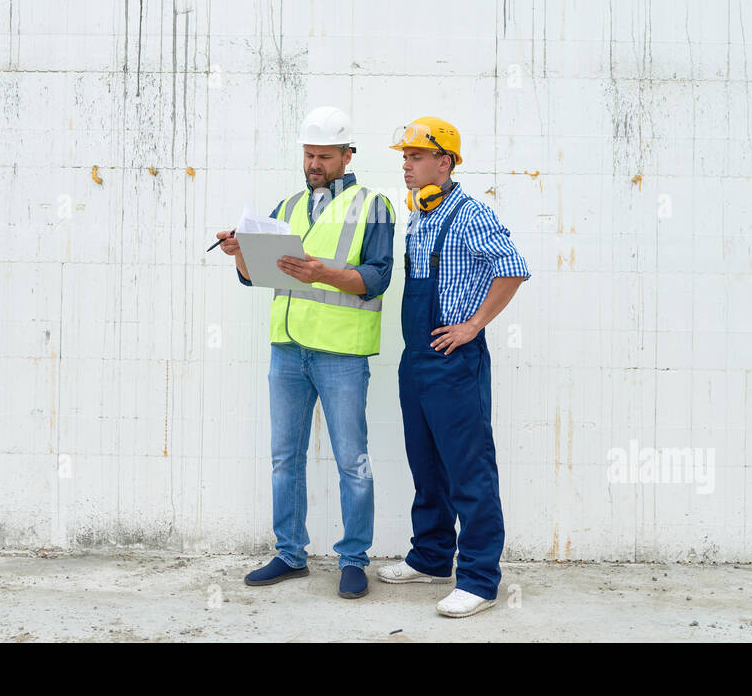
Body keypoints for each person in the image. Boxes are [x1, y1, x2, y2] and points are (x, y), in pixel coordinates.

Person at [215, 106, 396, 600]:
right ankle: (290, 553)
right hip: (288, 350)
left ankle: (353, 559)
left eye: (324, 156)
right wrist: (241, 255)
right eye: (309, 154)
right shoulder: (288, 205)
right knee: (284, 458)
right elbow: (260, 276)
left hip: (341, 353)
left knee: (351, 461)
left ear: (347, 155)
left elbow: (378, 278)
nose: (314, 163)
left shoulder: (374, 205)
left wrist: (323, 273)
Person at [376, 116, 529, 618]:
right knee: (426, 463)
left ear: (445, 161)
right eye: (405, 157)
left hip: (453, 359)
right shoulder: (420, 216)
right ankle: (432, 557)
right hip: (416, 359)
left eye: (416, 157)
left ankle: (481, 579)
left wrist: (473, 326)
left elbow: (513, 267)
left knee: (470, 470)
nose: (407, 166)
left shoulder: (469, 214)